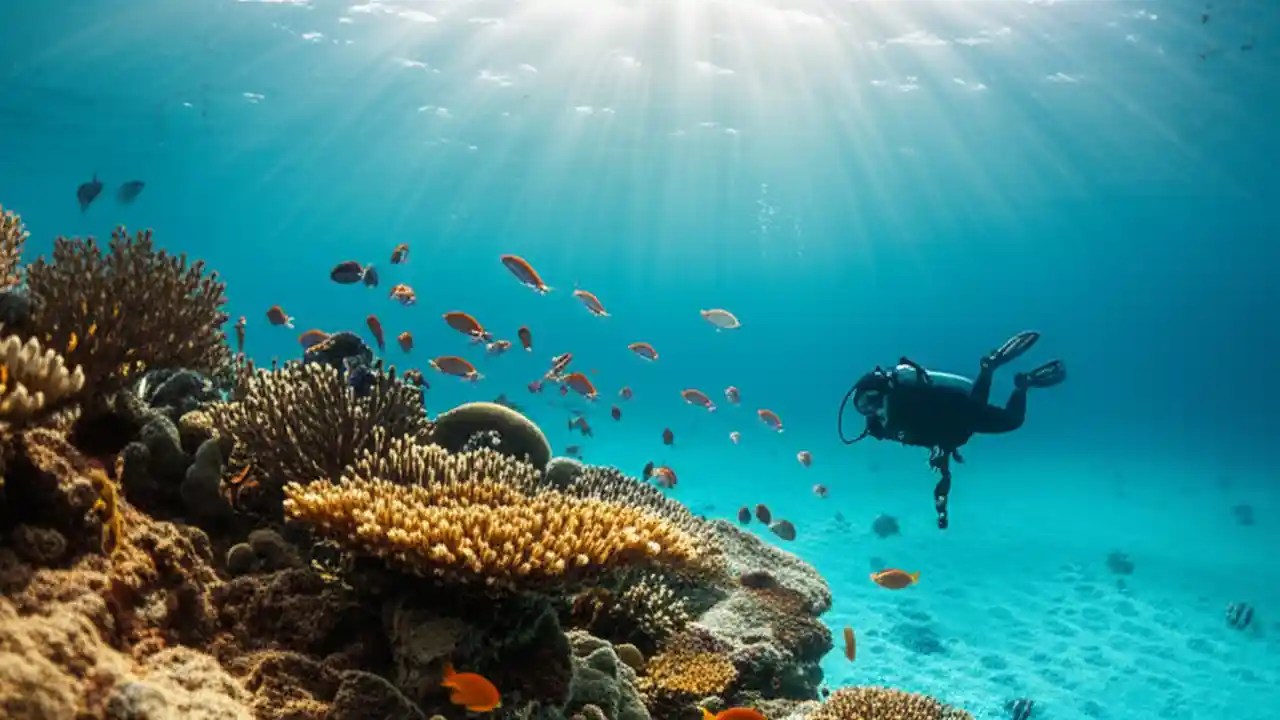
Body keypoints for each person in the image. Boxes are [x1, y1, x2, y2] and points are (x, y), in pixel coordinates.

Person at [838, 331, 1066, 529]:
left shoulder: (903, 402)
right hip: (955, 427)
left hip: (958, 411)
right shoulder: (887, 426)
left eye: (872, 401)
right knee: (1012, 421)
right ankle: (1023, 384)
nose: (872, 409)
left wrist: (941, 450)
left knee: (976, 412)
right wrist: (940, 456)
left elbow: (934, 425)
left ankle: (990, 367)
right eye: (864, 408)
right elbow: (928, 436)